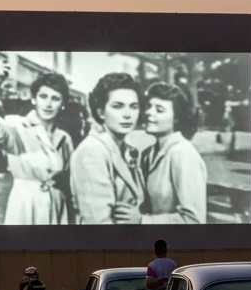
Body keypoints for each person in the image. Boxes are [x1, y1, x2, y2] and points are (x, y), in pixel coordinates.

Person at [0, 64, 75, 225]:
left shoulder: (64, 138)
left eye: (55, 98)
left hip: (57, 204)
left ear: (63, 104)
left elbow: (71, 178)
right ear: (34, 99)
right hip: (26, 203)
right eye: (43, 96)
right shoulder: (18, 127)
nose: (48, 104)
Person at [69, 73, 145, 224]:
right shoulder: (92, 151)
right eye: (118, 106)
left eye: (134, 107)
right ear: (100, 112)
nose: (127, 115)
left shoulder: (125, 148)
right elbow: (99, 223)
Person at [138, 82, 208, 224]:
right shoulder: (148, 153)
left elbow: (194, 220)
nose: (149, 112)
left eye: (159, 110)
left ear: (176, 118)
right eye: (149, 107)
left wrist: (142, 220)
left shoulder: (183, 154)